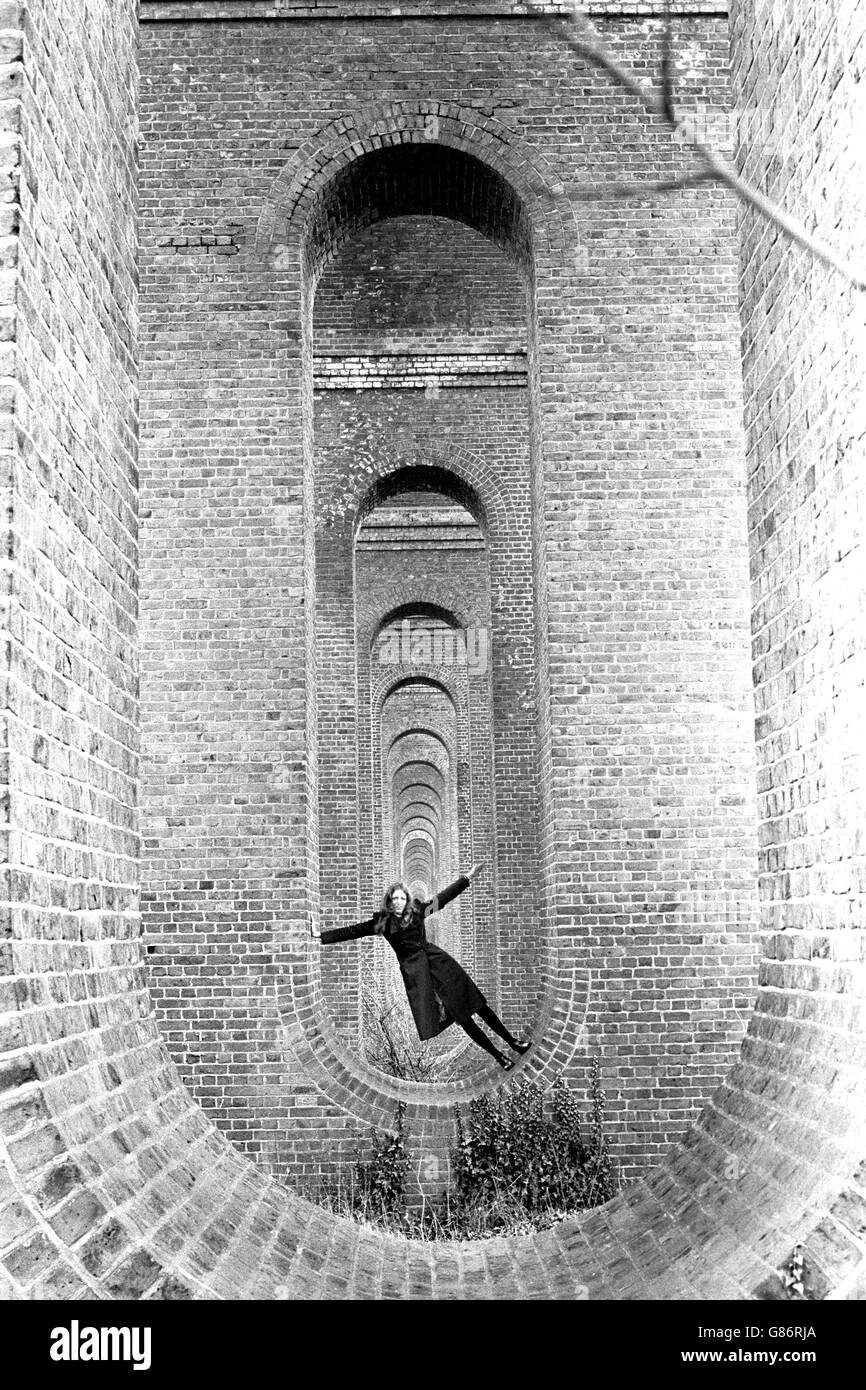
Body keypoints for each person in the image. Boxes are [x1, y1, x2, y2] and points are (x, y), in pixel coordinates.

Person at [314, 864, 530, 1070]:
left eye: (401, 898)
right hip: (420, 977)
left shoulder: (419, 911)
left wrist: (467, 878)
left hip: (440, 964)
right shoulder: (383, 924)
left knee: (477, 1004)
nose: (398, 902)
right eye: (394, 898)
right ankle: (499, 1057)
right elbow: (353, 931)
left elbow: (442, 899)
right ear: (389, 902)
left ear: (406, 899)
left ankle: (513, 1042)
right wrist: (322, 937)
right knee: (463, 1018)